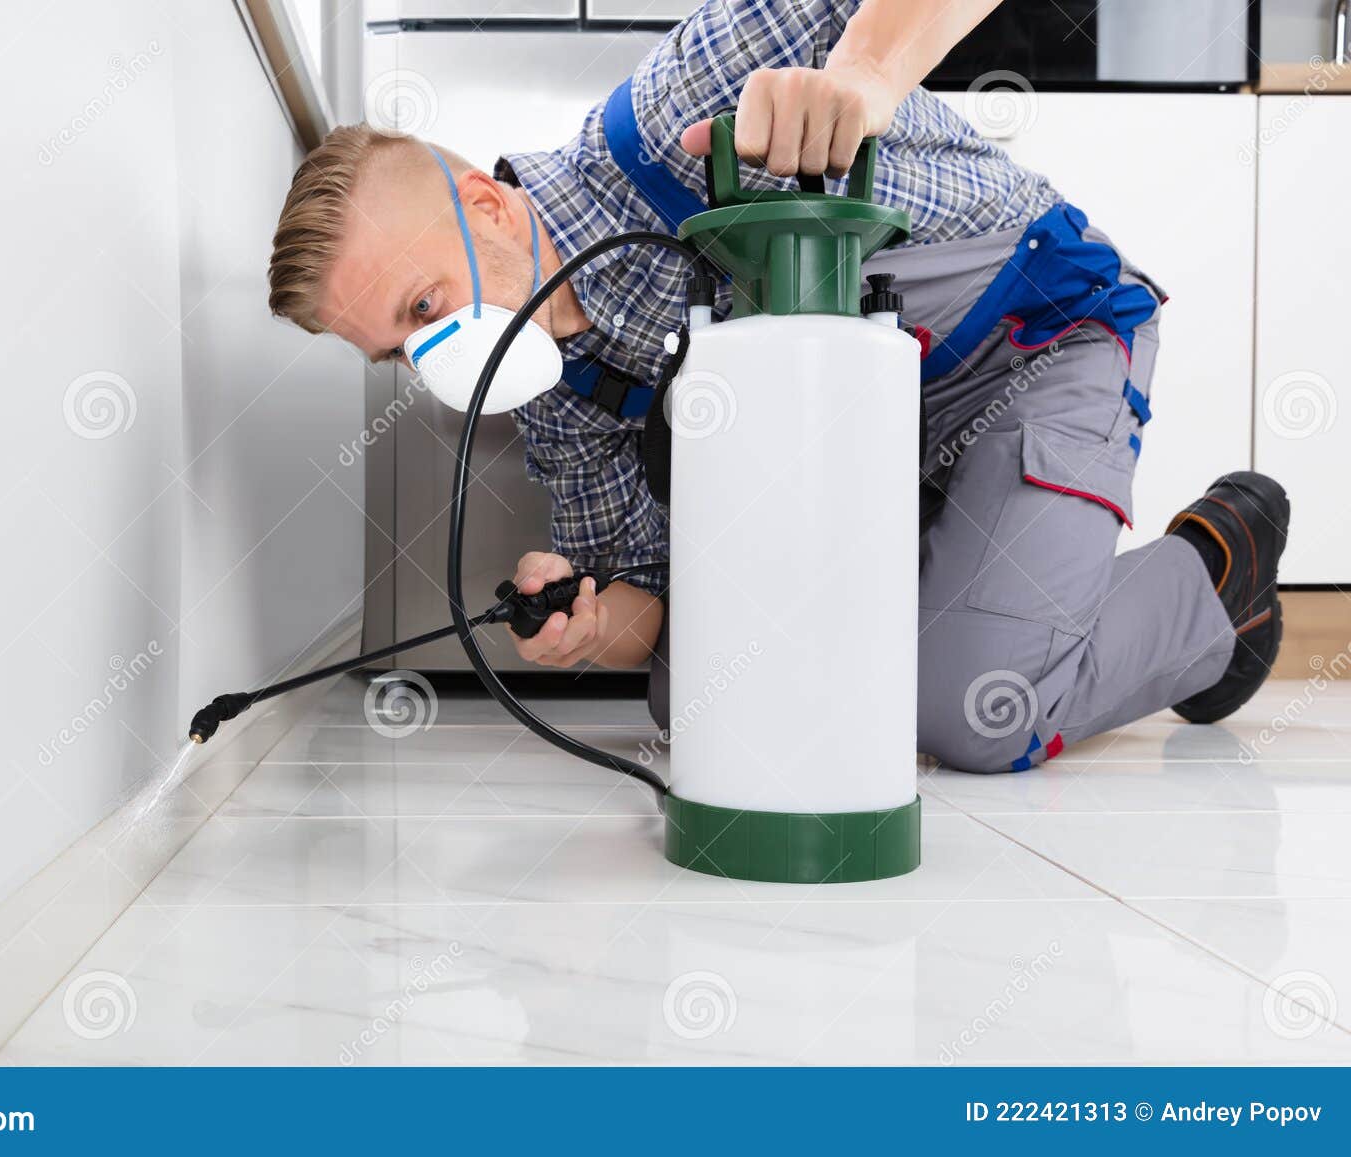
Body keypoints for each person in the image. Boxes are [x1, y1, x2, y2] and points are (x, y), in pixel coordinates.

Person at [266, 0, 1289, 772]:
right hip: (869, 461)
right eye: (396, 351)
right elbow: (651, 599)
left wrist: (864, 75)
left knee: (974, 709)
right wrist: (587, 625)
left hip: (1031, 347)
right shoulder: (561, 400)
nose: (433, 355)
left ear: (487, 206)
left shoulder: (676, 110)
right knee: (697, 690)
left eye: (423, 305)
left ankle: (1214, 572)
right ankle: (967, 594)